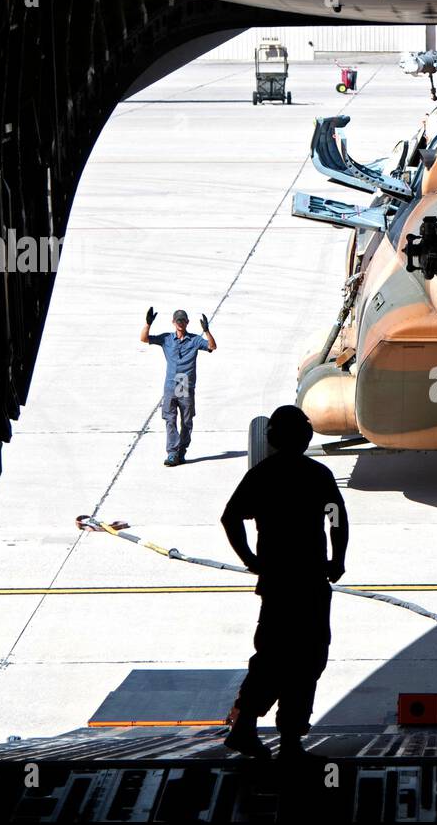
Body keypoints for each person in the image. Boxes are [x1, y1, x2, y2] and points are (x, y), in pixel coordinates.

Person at [221, 405, 348, 760]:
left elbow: (231, 517)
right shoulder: (317, 474)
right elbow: (337, 518)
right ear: (306, 437)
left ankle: (246, 726)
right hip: (309, 581)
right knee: (307, 658)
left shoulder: (263, 475)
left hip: (278, 582)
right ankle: (289, 737)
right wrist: (336, 559)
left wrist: (252, 560)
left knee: (272, 655)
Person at [141, 307, 217, 466]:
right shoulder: (167, 339)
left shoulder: (194, 340)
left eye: (183, 320)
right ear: (173, 322)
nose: (180, 323)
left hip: (185, 384)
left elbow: (212, 347)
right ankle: (172, 453)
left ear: (187, 322)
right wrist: (148, 323)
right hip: (170, 385)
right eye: (178, 320)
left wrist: (207, 331)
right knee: (170, 419)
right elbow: (144, 339)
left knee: (187, 420)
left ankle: (181, 451)